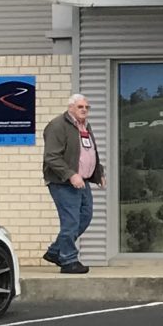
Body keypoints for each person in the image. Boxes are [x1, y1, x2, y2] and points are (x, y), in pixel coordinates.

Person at [41, 91, 104, 274]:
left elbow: (89, 152)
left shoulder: (84, 126)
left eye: (86, 107)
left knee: (85, 216)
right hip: (63, 182)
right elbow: (51, 157)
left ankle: (55, 252)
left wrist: (98, 173)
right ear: (70, 108)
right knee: (70, 221)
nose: (84, 110)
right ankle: (68, 260)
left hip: (82, 181)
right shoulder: (57, 126)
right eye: (80, 107)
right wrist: (70, 175)